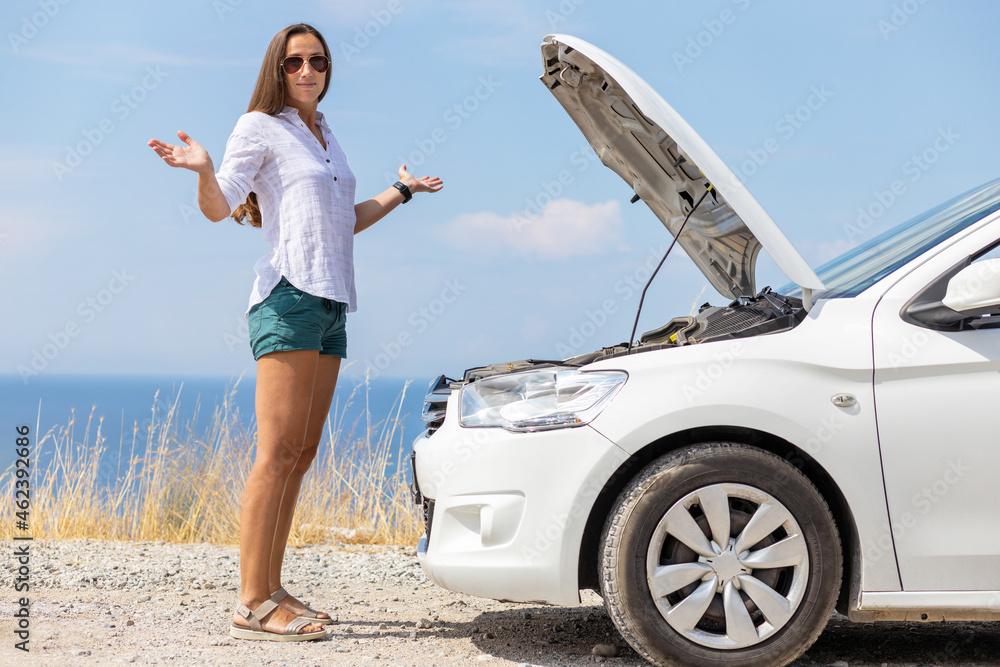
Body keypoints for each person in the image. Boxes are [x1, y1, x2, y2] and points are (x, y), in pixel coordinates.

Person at [147, 23, 443, 642]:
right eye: (295, 63)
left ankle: (272, 587)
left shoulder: (325, 134)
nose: (307, 71)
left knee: (300, 456)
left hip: (331, 303)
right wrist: (201, 169)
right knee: (275, 455)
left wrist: (402, 191)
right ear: (276, 70)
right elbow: (221, 203)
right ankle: (251, 599)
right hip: (288, 298)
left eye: (318, 61)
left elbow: (342, 222)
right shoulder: (259, 126)